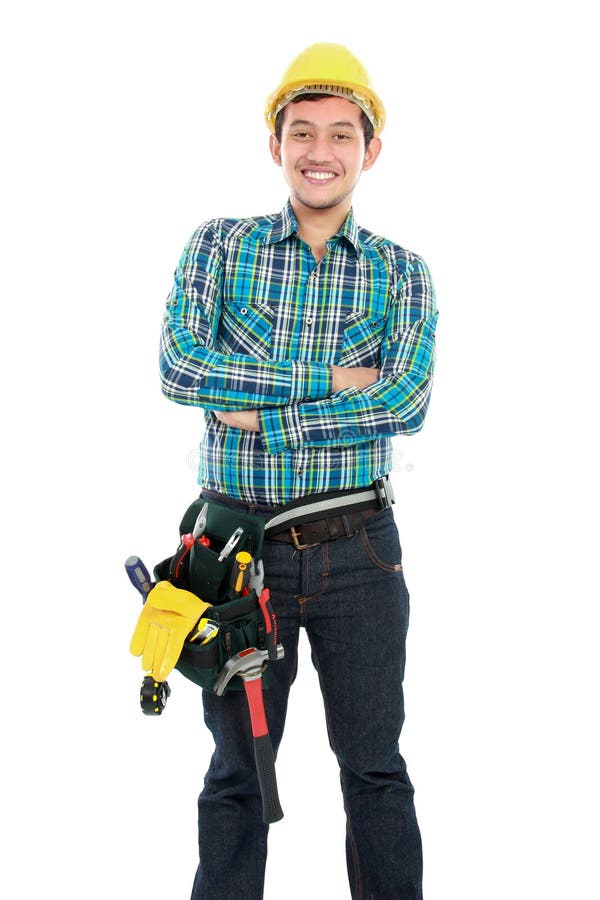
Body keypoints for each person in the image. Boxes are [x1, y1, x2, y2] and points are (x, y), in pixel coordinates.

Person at [159, 42, 437, 900]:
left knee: (374, 771)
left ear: (370, 150)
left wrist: (255, 412)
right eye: (303, 132)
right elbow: (180, 370)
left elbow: (406, 403)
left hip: (361, 551)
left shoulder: (404, 275)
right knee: (237, 779)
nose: (321, 151)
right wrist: (333, 386)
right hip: (237, 553)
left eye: (342, 135)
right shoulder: (218, 246)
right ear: (275, 144)